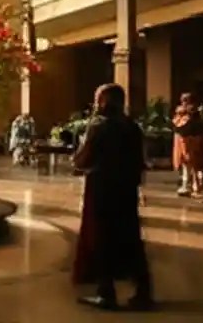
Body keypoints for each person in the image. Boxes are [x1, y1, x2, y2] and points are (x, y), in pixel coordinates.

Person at [73, 84, 154, 312]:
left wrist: (77, 159)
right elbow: (140, 161)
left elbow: (83, 159)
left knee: (101, 239)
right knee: (131, 239)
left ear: (103, 101)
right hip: (126, 190)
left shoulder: (99, 126)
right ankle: (143, 291)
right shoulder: (132, 127)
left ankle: (106, 293)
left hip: (102, 189)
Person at [171, 93, 203, 197]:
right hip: (191, 141)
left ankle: (190, 187)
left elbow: (178, 127)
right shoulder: (192, 113)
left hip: (187, 141)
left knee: (190, 166)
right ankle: (191, 187)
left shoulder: (182, 114)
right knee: (192, 166)